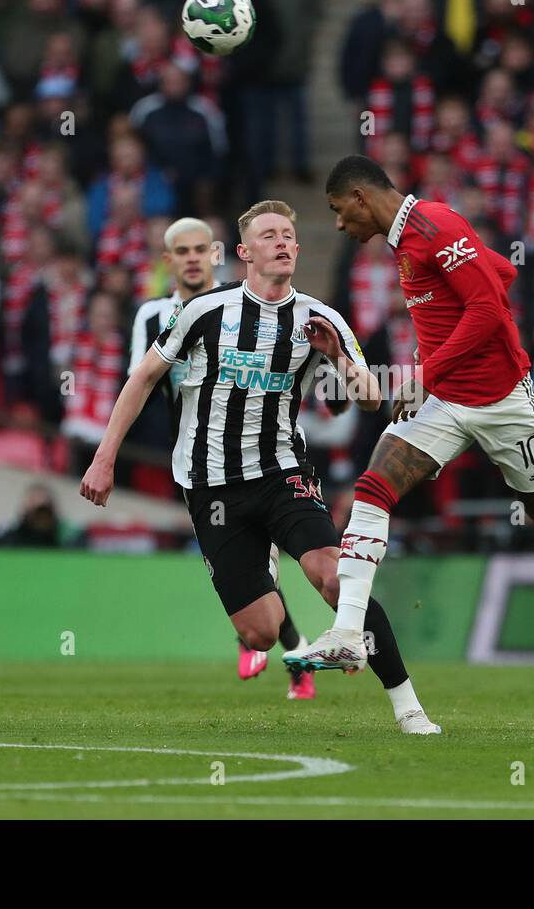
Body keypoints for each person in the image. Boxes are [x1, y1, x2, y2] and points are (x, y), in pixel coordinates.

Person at [81, 200, 441, 734]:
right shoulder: (204, 312)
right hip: (211, 487)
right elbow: (141, 378)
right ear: (245, 252)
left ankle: (409, 708)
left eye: (289, 235)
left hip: (282, 473)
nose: (282, 242)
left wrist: (338, 359)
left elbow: (370, 400)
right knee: (262, 633)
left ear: (296, 248)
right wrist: (104, 457)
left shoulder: (322, 317)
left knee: (337, 578)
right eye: (269, 235)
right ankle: (262, 580)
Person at [288, 155, 534, 680]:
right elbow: (504, 272)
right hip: (443, 402)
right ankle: (349, 633)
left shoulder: (437, 225)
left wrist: (425, 371)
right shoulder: (407, 242)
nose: (337, 223)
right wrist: (434, 375)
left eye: (338, 210)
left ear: (361, 198)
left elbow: (489, 309)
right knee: (373, 486)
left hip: (505, 400)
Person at [129, 215, 315, 699]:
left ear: (215, 255)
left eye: (201, 250)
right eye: (182, 252)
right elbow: (141, 381)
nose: (193, 259)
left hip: (267, 459)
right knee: (246, 567)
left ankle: (277, 650)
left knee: (262, 557)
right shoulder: (153, 316)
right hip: (198, 460)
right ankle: (288, 649)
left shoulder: (246, 304)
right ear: (168, 261)